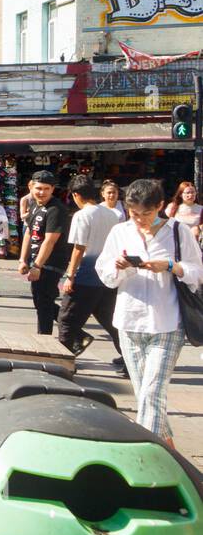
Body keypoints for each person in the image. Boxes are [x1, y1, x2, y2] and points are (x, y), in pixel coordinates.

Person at [96, 178, 203, 445]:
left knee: (153, 392)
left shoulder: (179, 231)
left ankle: (144, 451)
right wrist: (122, 266)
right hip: (129, 322)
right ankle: (170, 450)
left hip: (167, 322)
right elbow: (106, 275)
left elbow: (197, 272)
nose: (140, 220)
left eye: (147, 213)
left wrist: (170, 265)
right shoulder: (120, 231)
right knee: (145, 393)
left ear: (161, 206)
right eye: (134, 214)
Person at [57, 174, 125, 373]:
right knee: (111, 322)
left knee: (67, 320)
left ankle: (65, 363)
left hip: (85, 276)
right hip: (107, 277)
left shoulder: (82, 215)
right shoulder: (112, 214)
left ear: (76, 195)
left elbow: (79, 248)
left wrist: (70, 276)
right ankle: (130, 361)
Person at [17, 169, 69, 336]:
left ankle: (45, 338)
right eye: (39, 188)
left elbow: (50, 240)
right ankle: (74, 331)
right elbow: (28, 233)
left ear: (53, 189)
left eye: (46, 189)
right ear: (31, 187)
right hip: (37, 260)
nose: (42, 192)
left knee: (43, 300)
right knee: (41, 300)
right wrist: (23, 259)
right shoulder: (33, 205)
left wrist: (37, 266)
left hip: (52, 262)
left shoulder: (56, 209)